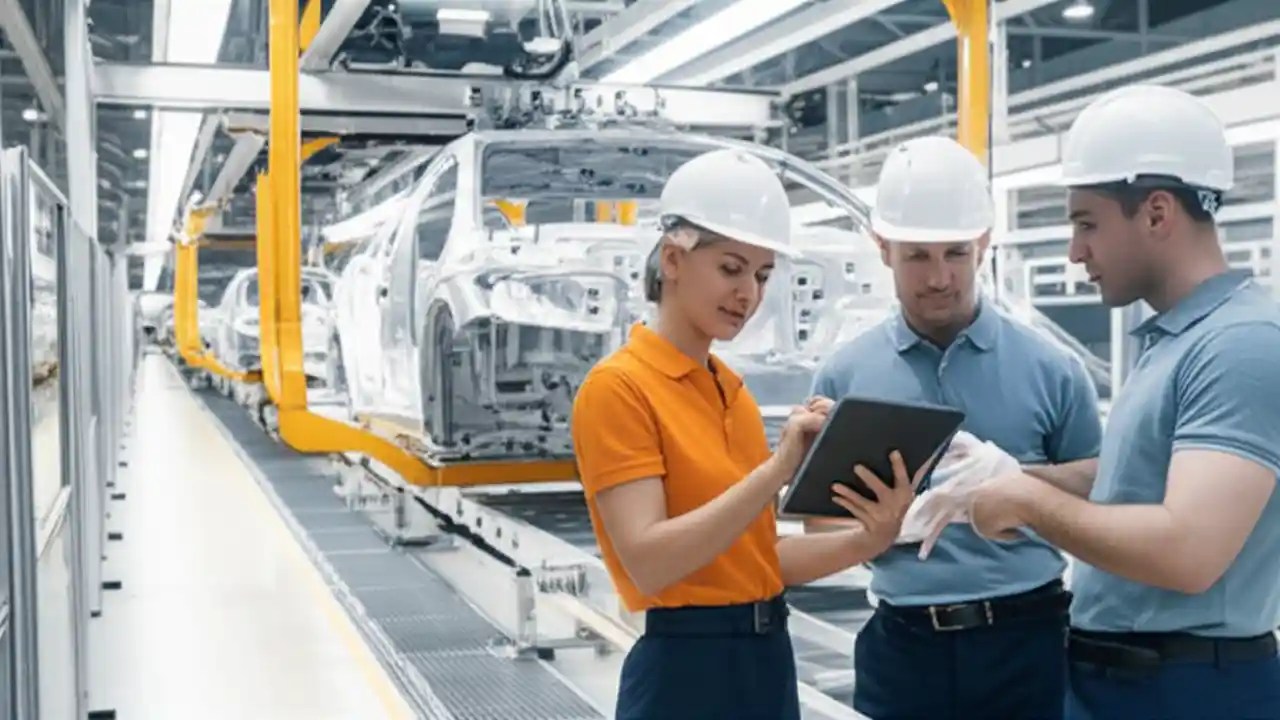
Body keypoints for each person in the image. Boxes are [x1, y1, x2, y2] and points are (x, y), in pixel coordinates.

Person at [570, 147, 927, 720]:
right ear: (673, 259)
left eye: (761, 275)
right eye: (732, 269)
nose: (749, 294)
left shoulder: (729, 388)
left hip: (765, 658)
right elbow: (649, 561)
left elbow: (761, 561)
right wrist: (778, 469)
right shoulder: (618, 389)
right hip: (685, 672)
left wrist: (871, 539)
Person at [966, 84, 1280, 719]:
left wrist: (1028, 503)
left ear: (1157, 214)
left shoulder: (1240, 344)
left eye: (1086, 223)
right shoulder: (1176, 337)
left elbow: (1187, 550)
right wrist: (1011, 475)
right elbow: (1140, 482)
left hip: (1185, 690)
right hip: (1129, 679)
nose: (1075, 250)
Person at [807, 135, 1104, 719]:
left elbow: (1102, 485)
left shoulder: (1052, 369)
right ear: (883, 248)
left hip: (1030, 637)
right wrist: (880, 528)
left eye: (957, 253)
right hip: (903, 647)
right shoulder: (844, 376)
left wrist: (1015, 483)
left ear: (985, 245)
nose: (939, 277)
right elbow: (818, 523)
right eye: (918, 255)